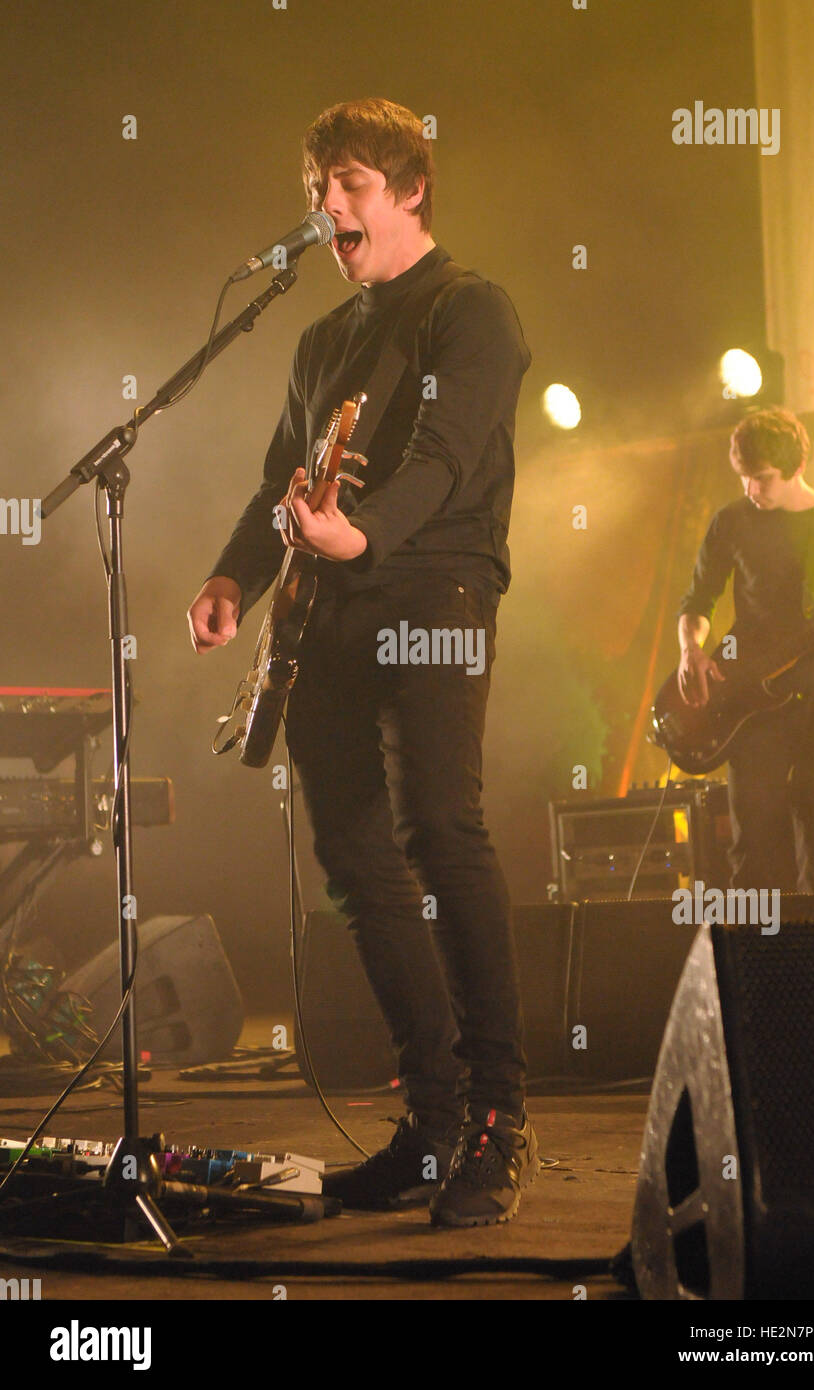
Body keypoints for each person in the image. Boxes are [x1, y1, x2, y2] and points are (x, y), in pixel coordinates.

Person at [186, 98, 537, 1226]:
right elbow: (272, 478)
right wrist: (234, 577)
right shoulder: (318, 338)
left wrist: (363, 531)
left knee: (441, 827)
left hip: (432, 589)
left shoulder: (469, 308)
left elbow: (445, 458)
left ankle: (500, 1117)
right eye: (316, 187)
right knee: (352, 857)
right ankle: (431, 1122)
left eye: (346, 183)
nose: (326, 206)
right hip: (324, 611)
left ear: (408, 189)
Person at [677, 406, 814, 891]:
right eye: (743, 478)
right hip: (752, 705)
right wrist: (690, 649)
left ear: (798, 467)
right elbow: (698, 600)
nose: (750, 490)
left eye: (761, 479)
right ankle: (756, 961)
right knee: (752, 848)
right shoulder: (732, 521)